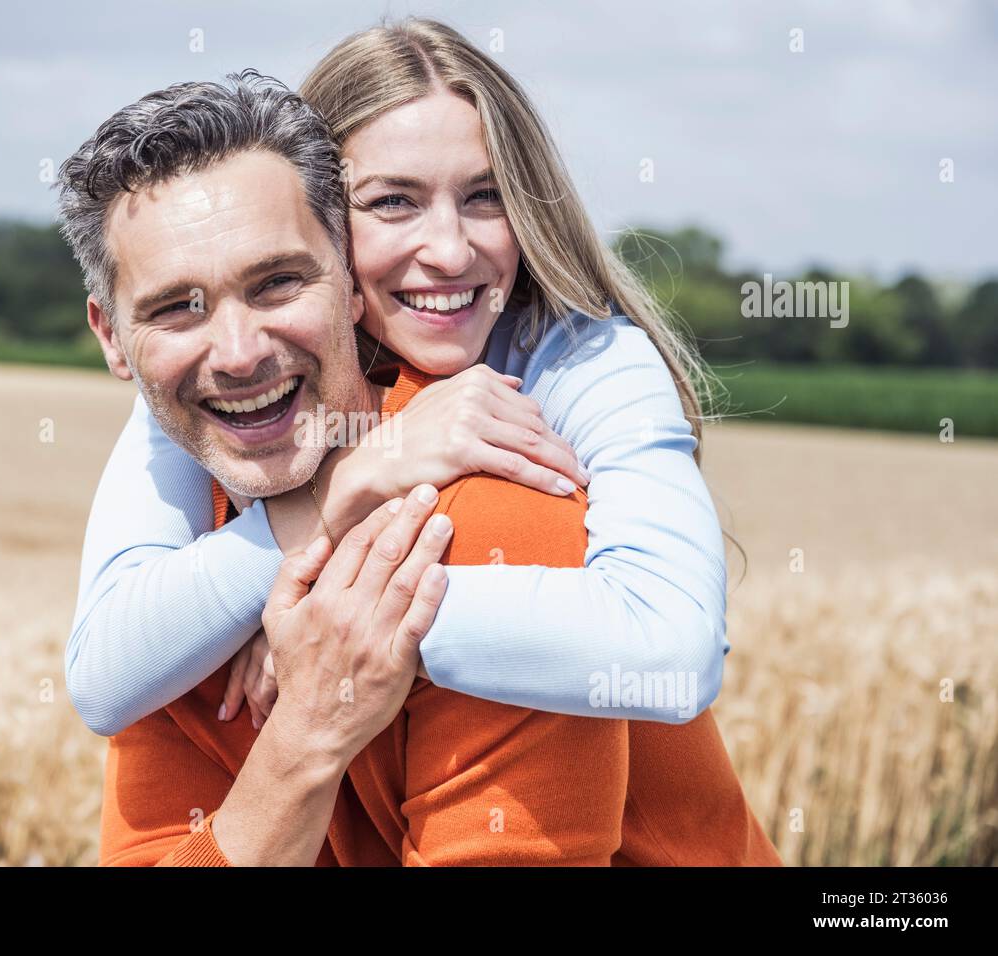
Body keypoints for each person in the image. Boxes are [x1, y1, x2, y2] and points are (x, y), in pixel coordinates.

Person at [56, 73, 780, 865]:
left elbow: (672, 655)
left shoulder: (514, 474)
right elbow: (106, 679)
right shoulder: (189, 572)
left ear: (341, 271)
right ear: (114, 339)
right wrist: (310, 618)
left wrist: (349, 616)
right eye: (174, 308)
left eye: (277, 282)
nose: (447, 250)